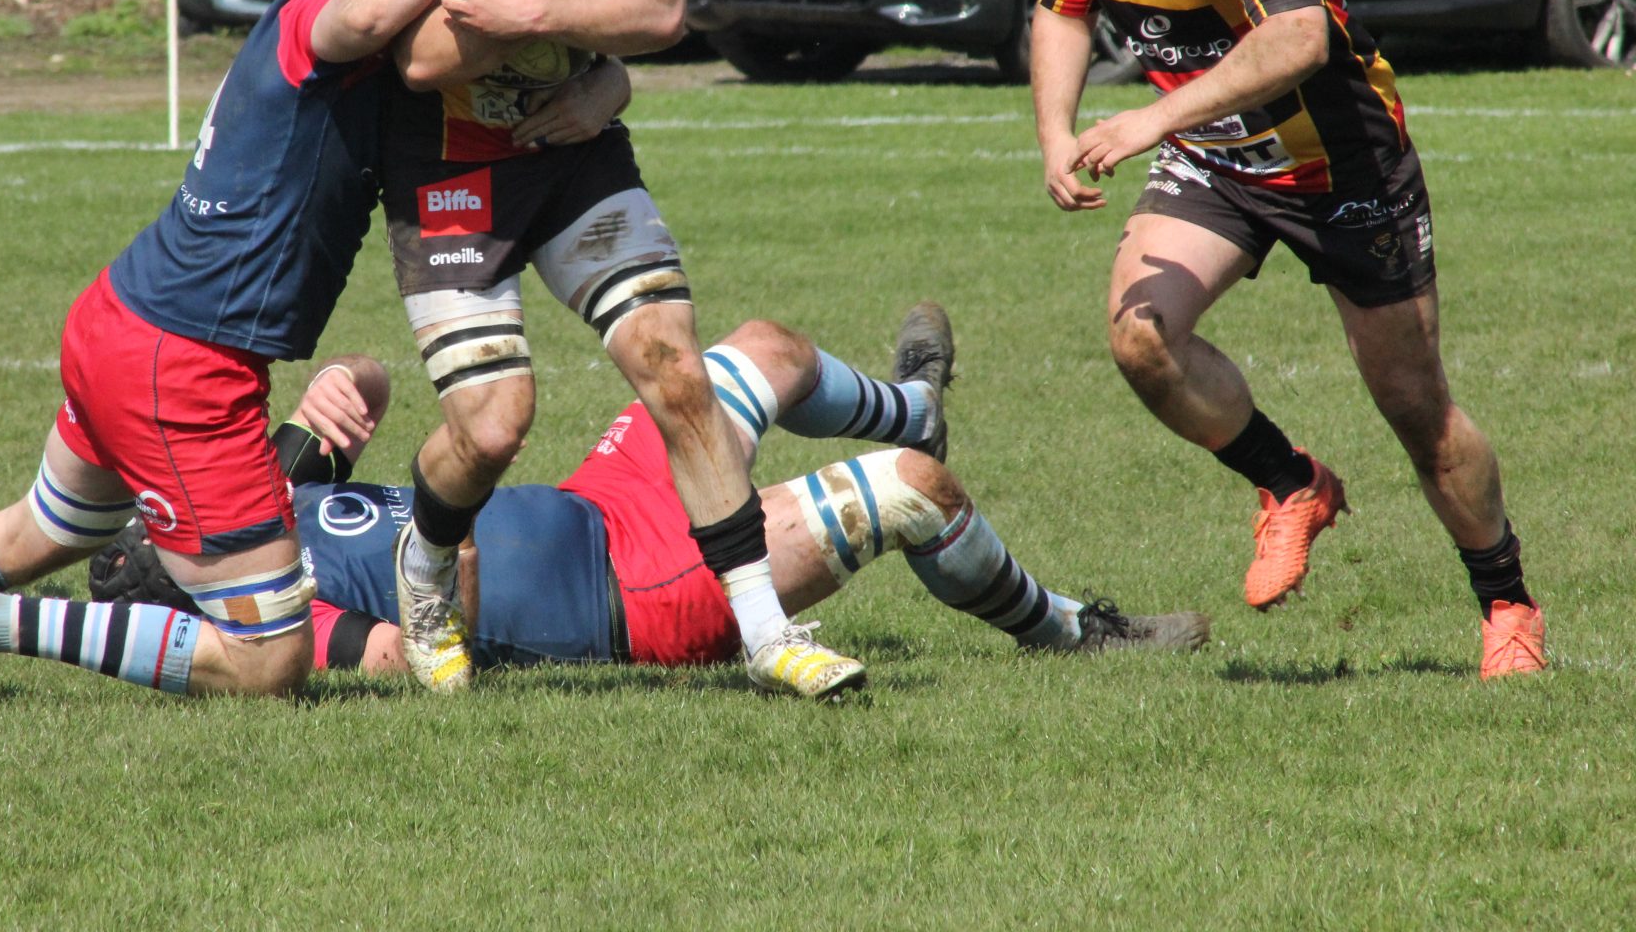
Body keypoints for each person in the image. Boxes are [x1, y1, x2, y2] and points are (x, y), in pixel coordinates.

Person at [0, 0, 600, 702]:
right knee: (271, 657)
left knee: (39, 527)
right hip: (184, 365)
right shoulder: (331, 9)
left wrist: (593, 72)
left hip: (125, 317)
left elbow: (523, 60)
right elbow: (380, 18)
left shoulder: (341, 20)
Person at [367, 0, 878, 699]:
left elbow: (659, 7)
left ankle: (765, 632)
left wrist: (546, 27)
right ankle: (423, 569)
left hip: (573, 150)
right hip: (450, 166)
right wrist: (555, 6)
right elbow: (418, 59)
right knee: (493, 423)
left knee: (673, 365)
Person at [1025, 0, 1544, 680]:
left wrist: (1151, 118)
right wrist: (1055, 131)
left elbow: (1298, 37)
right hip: (1217, 164)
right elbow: (1062, 5)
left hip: (1339, 165)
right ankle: (1290, 481)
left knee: (1416, 410)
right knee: (1140, 338)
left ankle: (1506, 600)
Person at [90, 308, 1210, 675]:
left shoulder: (259, 493)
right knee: (915, 494)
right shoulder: (272, 614)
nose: (172, 504)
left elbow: (369, 383)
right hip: (640, 593)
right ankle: (1073, 632)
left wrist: (345, 383)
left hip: (601, 498)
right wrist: (448, 574)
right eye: (159, 528)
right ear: (186, 579)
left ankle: (913, 402)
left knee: (761, 348)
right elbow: (398, 659)